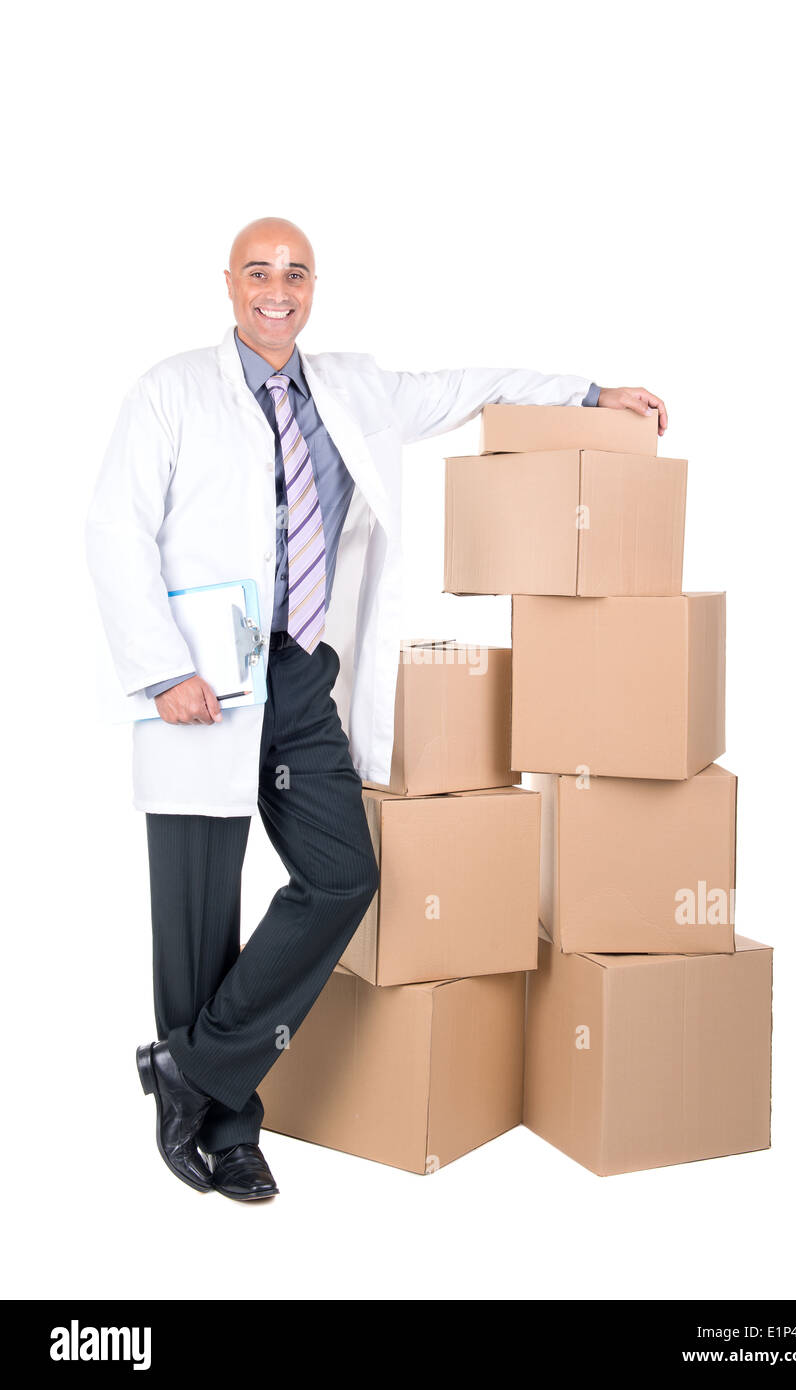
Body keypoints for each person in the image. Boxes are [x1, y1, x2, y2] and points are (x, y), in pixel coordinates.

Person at [86, 216, 669, 1203]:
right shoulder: (170, 390)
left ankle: (193, 1068)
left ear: (315, 287)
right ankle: (227, 1132)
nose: (278, 290)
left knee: (343, 873)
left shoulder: (354, 387)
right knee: (198, 914)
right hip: (202, 684)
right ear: (228, 284)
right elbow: (114, 530)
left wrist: (589, 394)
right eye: (259, 273)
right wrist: (158, 671)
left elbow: (473, 385)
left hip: (301, 680)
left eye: (296, 274)